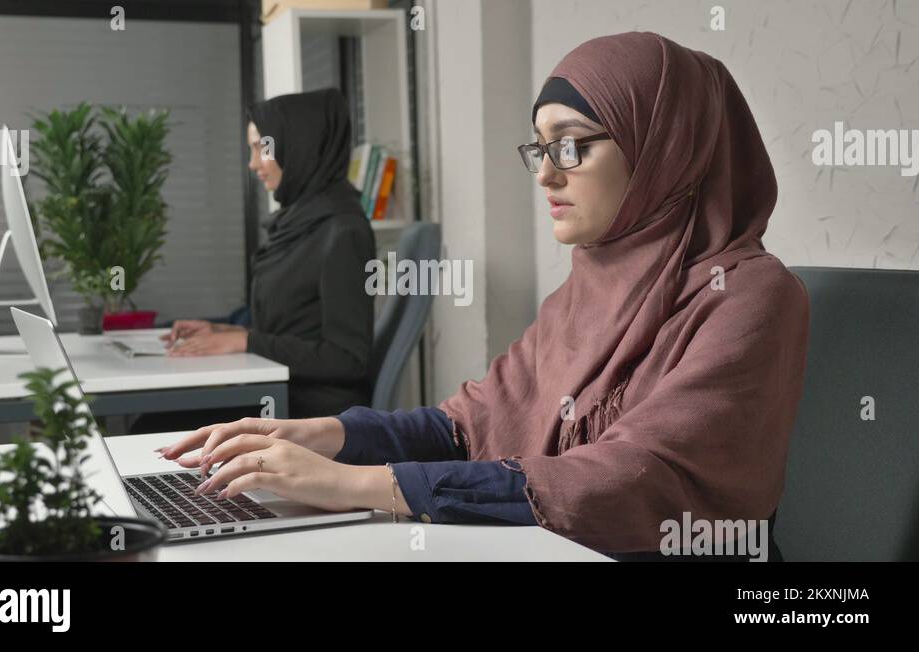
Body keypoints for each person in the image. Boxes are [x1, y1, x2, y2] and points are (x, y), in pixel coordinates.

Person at [158, 32, 810, 561]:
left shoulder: (750, 295)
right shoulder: (582, 291)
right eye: (540, 147)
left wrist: (360, 485)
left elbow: (638, 477)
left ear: (666, 146)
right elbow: (464, 424)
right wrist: (323, 435)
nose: (546, 174)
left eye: (573, 145)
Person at [160, 88, 376, 419]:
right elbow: (296, 326)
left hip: (309, 413)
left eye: (262, 148)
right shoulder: (299, 221)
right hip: (277, 392)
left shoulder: (343, 232)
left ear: (302, 146)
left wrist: (247, 342)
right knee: (154, 423)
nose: (252, 164)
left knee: (152, 425)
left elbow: (347, 358)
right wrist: (225, 332)